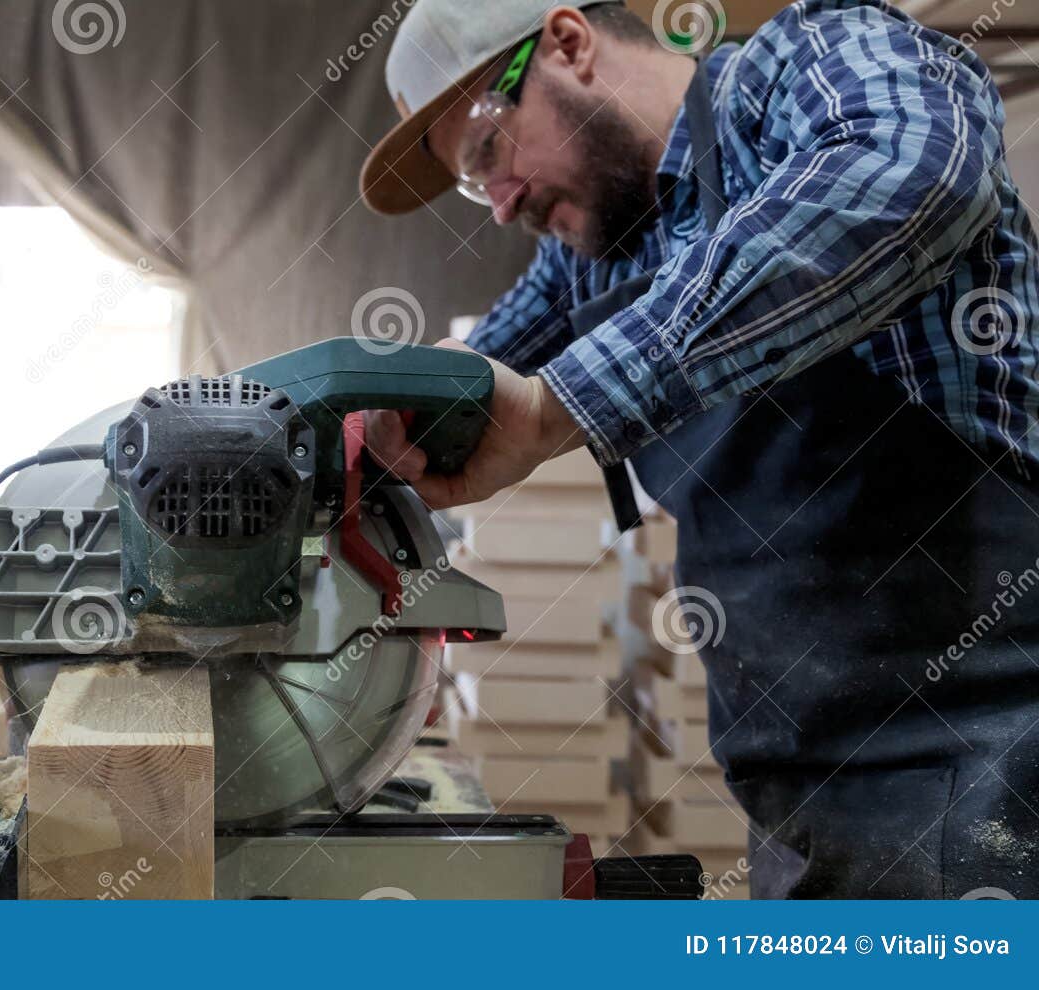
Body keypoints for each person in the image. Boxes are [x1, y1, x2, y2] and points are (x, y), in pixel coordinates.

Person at [360, 0, 1039, 898]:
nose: (499, 204)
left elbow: (910, 178)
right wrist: (353, 429)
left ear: (567, 44)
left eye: (487, 151)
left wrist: (565, 401)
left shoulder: (810, 62)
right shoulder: (598, 251)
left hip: (989, 760)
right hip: (798, 798)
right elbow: (468, 386)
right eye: (470, 184)